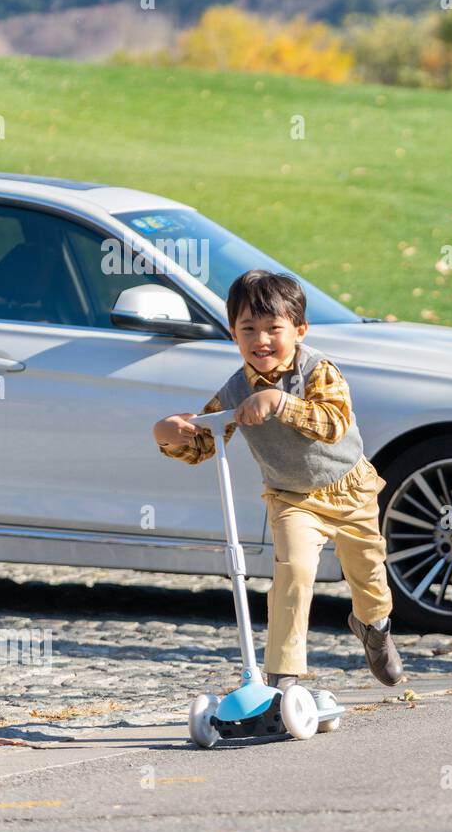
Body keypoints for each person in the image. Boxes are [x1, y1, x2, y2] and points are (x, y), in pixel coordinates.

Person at [152, 269, 404, 687]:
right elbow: (205, 444)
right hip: (292, 498)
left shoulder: (318, 371)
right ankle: (282, 675)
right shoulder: (235, 391)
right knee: (294, 571)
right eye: (248, 328)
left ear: (300, 330)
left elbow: (333, 423)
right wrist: (170, 433)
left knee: (369, 574)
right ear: (233, 333)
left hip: (349, 488)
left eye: (274, 328)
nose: (261, 340)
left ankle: (374, 629)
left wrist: (280, 402)